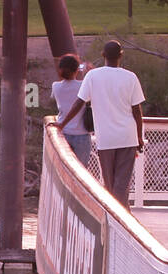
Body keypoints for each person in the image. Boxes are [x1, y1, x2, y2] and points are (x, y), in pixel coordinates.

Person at [57, 40, 145, 206]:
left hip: (106, 139)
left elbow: (79, 103)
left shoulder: (92, 76)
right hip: (128, 137)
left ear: (103, 55)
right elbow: (137, 111)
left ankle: (114, 217)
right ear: (121, 55)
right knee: (121, 184)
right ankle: (121, 215)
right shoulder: (130, 77)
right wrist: (139, 137)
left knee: (110, 185)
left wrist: (61, 124)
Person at [51, 54, 92, 167]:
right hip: (82, 134)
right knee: (81, 169)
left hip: (63, 133)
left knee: (63, 168)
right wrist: (88, 73)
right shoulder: (83, 86)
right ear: (77, 69)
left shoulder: (55, 86)